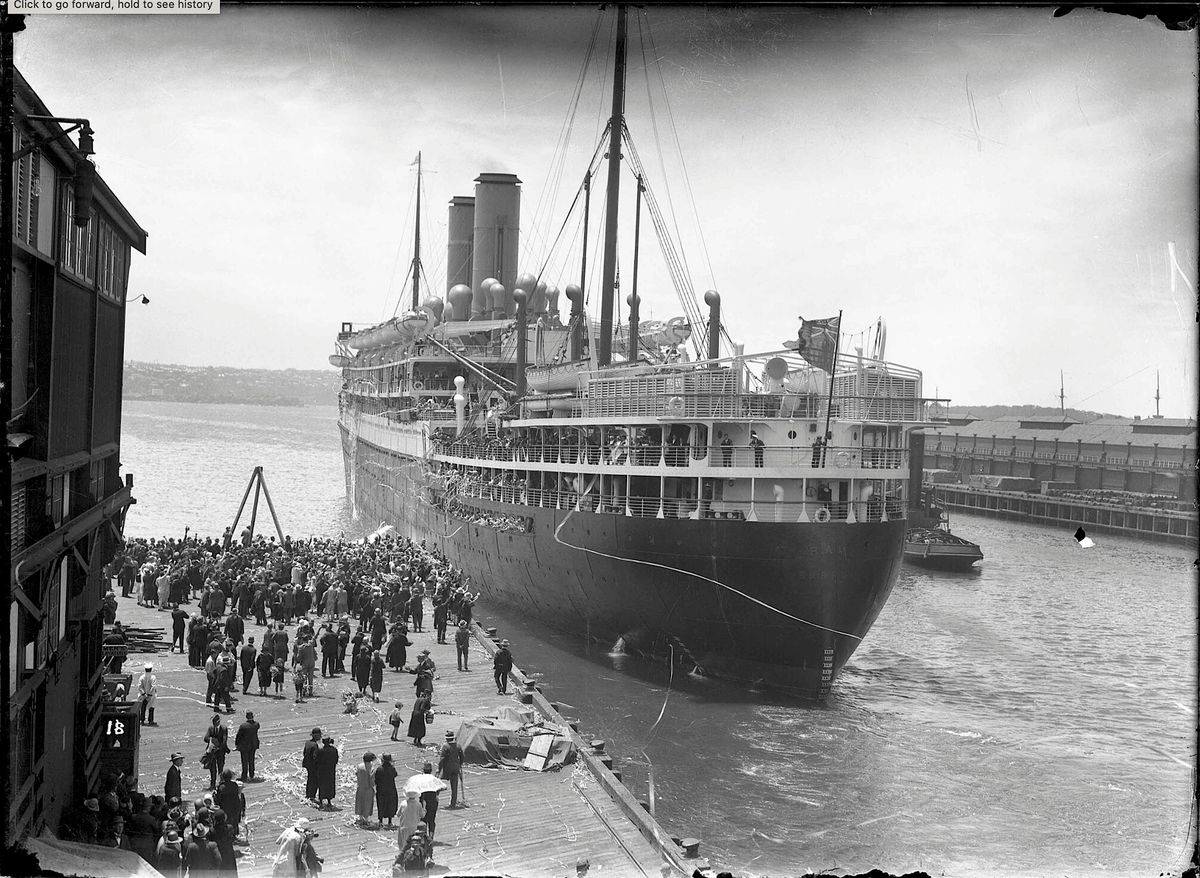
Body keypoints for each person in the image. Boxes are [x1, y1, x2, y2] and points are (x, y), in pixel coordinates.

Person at [437, 730, 464, 809]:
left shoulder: (445, 746)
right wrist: (460, 764)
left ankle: (434, 799)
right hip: (456, 768)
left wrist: (439, 769)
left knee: (437, 783)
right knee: (454, 787)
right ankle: (453, 804)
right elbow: (462, 756)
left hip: (447, 769)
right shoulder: (458, 745)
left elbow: (442, 759)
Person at [202, 715, 230, 791]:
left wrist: (218, 746)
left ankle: (221, 783)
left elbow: (224, 740)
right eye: (214, 722)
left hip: (220, 752)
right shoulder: (210, 728)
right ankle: (212, 785)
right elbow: (205, 738)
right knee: (212, 769)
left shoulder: (224, 728)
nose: (215, 724)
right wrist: (212, 741)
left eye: (216, 722)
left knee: (220, 768)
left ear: (219, 722)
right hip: (212, 752)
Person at [417, 762, 440, 841]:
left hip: (423, 801)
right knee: (432, 820)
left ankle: (424, 836)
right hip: (433, 801)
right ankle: (431, 836)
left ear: (424, 771)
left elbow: (418, 790)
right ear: (431, 770)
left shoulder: (421, 780)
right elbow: (438, 790)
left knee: (423, 820)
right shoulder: (434, 779)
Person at [234, 711, 260, 781]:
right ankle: (251, 775)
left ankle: (244, 776)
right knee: (251, 760)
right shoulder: (257, 724)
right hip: (253, 744)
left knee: (244, 761)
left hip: (244, 746)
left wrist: (236, 744)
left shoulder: (243, 726)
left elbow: (238, 736)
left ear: (246, 717)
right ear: (253, 716)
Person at [374, 754, 399, 828]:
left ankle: (380, 820)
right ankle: (390, 821)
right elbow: (395, 775)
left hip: (381, 789)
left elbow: (376, 779)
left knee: (381, 804)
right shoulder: (392, 768)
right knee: (390, 804)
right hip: (391, 788)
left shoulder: (379, 769)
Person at [315, 737, 339, 810]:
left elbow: (316, 759)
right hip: (330, 770)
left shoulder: (320, 750)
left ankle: (321, 801)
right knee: (330, 785)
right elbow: (336, 759)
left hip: (322, 770)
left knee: (322, 785)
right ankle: (329, 801)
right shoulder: (334, 750)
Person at [354, 752, 376, 826]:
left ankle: (360, 818)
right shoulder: (372, 767)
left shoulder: (359, 766)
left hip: (360, 787)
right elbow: (372, 780)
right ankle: (366, 819)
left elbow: (356, 773)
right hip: (368, 788)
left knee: (360, 802)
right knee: (367, 803)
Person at [301, 728, 322, 802]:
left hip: (307, 764)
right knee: (315, 781)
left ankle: (308, 794)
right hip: (313, 766)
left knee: (310, 779)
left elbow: (304, 753)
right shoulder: (315, 745)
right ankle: (312, 796)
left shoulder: (307, 743)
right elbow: (315, 757)